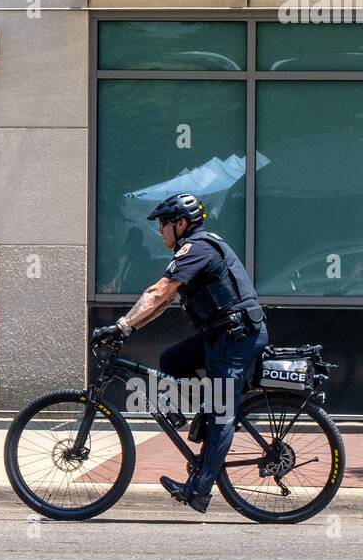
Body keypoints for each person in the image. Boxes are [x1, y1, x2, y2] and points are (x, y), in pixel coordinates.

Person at [96, 193, 267, 514]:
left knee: (219, 413)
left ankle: (199, 491)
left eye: (163, 223)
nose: (159, 230)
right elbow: (161, 302)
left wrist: (119, 325)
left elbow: (159, 291)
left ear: (181, 223)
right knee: (172, 360)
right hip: (220, 335)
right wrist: (129, 328)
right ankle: (190, 410)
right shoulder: (192, 250)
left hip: (237, 338)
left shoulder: (196, 249)